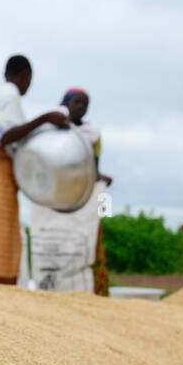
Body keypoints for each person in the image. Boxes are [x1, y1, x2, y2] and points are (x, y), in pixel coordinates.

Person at [0, 56, 70, 285]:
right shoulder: (10, 94)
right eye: (30, 80)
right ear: (24, 76)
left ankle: (1, 291)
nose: (29, 85)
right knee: (1, 238)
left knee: (6, 234)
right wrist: (45, 118)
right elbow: (7, 135)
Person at [60, 88, 112, 296]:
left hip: (86, 195)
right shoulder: (55, 129)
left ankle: (93, 292)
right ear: (66, 104)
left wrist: (101, 178)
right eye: (77, 102)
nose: (81, 106)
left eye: (85, 103)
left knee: (90, 240)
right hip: (62, 196)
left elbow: (95, 167)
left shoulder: (93, 135)